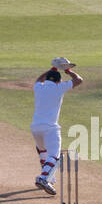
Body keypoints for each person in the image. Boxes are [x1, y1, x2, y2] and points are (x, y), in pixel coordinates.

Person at [30, 60, 84, 195]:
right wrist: (68, 71)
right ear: (58, 82)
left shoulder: (39, 87)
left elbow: (39, 79)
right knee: (55, 156)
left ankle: (49, 178)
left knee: (43, 151)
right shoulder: (59, 88)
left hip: (35, 127)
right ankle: (43, 178)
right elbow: (79, 80)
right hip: (50, 128)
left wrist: (53, 69)